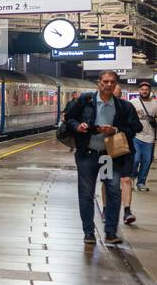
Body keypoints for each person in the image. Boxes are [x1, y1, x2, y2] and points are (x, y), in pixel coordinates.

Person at [63, 70, 140, 245]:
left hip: (109, 156)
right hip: (88, 154)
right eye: (105, 81)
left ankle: (110, 232)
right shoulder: (85, 101)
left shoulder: (123, 107)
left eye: (112, 82)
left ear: (116, 85)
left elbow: (136, 127)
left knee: (113, 191)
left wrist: (116, 130)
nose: (108, 85)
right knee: (86, 194)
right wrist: (78, 126)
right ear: (99, 83)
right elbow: (69, 118)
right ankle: (89, 232)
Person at [132, 80, 157, 193]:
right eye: (142, 90)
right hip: (136, 136)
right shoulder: (133, 102)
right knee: (135, 159)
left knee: (147, 161)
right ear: (139, 91)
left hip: (150, 138)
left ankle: (141, 182)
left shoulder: (155, 103)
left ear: (150, 91)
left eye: (146, 90)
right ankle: (131, 177)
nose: (144, 91)